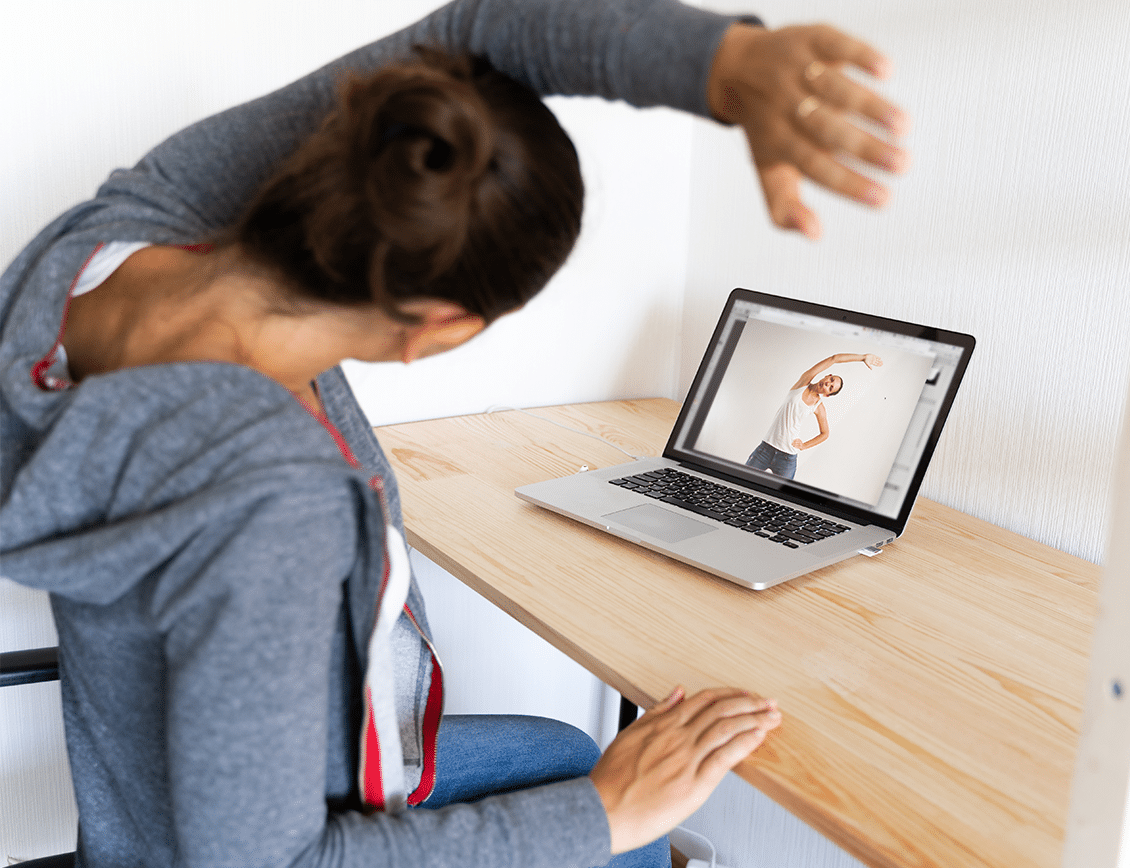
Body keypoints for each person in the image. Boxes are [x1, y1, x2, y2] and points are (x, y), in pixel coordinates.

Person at [0, 2, 907, 866]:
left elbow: (477, 28)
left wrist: (730, 64)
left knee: (560, 749)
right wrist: (606, 814)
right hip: (261, 829)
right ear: (439, 327)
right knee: (614, 802)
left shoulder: (106, 241)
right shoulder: (275, 504)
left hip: (174, 789)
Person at [746, 353, 883, 478]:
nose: (828, 384)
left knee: (778, 501)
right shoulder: (803, 382)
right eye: (831, 380)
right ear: (827, 375)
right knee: (742, 483)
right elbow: (834, 359)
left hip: (787, 458)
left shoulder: (818, 406)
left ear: (827, 394)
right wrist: (862, 357)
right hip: (765, 449)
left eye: (830, 388)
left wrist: (804, 445)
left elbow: (825, 433)